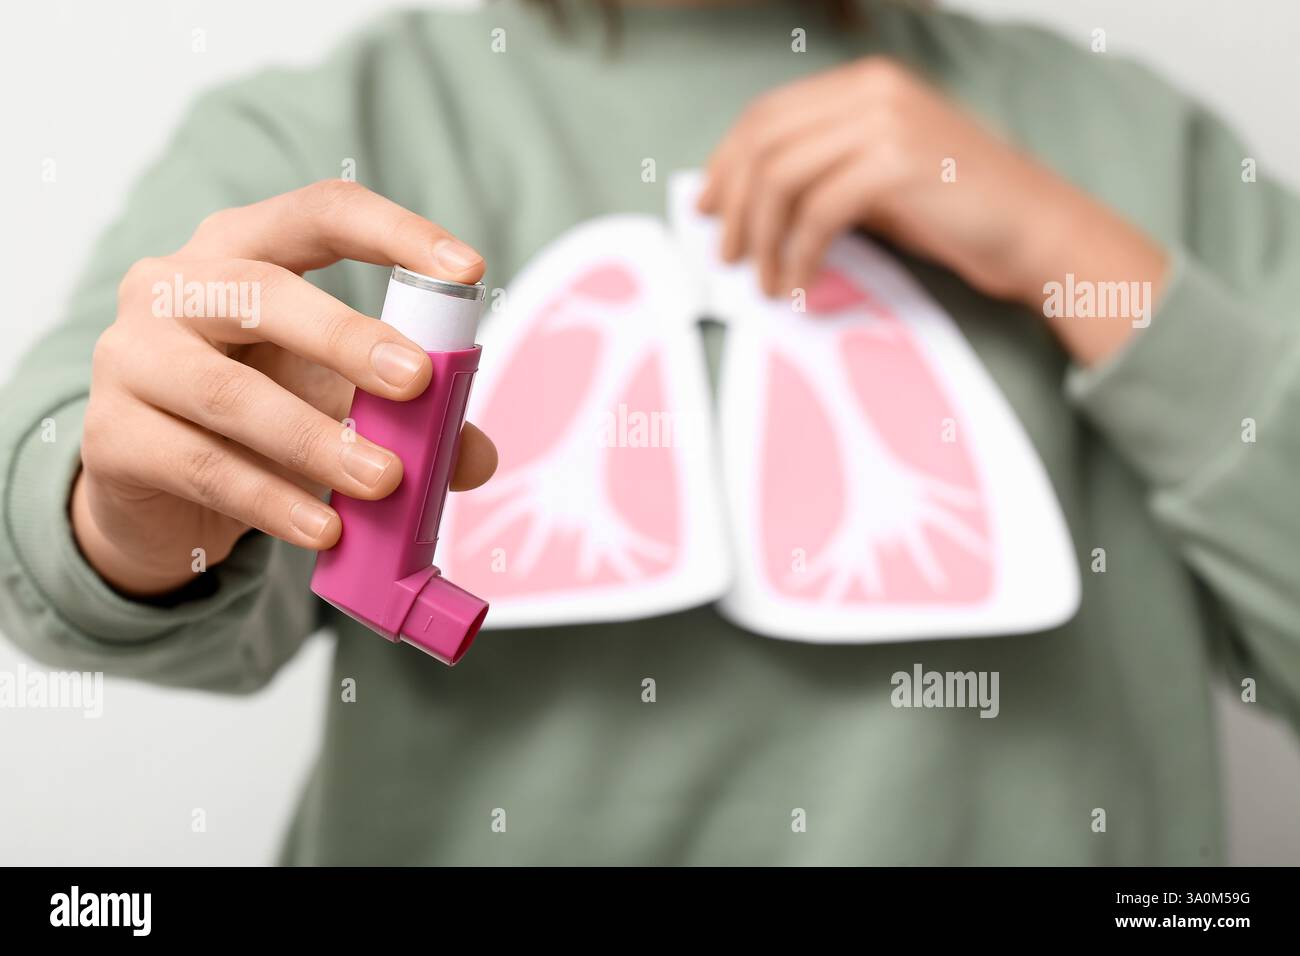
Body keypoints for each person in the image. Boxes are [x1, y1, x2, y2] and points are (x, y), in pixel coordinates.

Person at [2, 0, 1298, 865]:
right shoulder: (331, 136)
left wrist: (1080, 260)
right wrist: (126, 512)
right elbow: (63, 510)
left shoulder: (1131, 146)